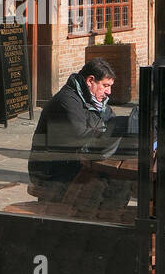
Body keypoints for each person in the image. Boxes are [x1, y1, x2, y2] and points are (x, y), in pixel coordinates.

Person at [28, 59, 129, 200]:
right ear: (90, 80)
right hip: (51, 172)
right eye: (105, 85)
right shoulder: (67, 101)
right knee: (112, 188)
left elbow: (111, 121)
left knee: (121, 185)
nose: (109, 92)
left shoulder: (94, 100)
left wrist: (125, 126)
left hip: (73, 164)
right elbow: (82, 139)